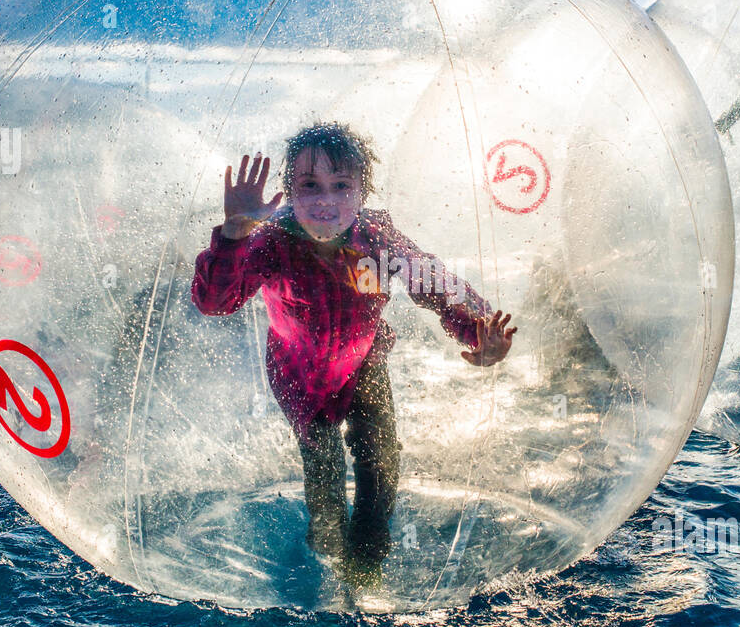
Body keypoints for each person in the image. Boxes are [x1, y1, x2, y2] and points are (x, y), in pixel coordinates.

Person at [192, 123, 516, 587]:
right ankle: (327, 561)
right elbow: (215, 302)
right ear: (288, 193)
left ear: (362, 192)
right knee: (323, 466)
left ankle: (367, 566)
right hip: (299, 374)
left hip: (363, 362)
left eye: (341, 186)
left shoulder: (376, 235)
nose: (326, 200)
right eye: (310, 186)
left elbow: (436, 284)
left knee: (379, 458)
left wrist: (477, 331)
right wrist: (233, 231)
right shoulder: (271, 240)